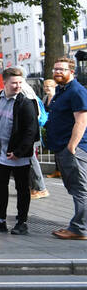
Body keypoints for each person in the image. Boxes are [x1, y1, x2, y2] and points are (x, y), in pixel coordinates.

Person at [0, 67, 38, 235]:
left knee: (22, 188)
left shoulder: (25, 103)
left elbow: (30, 131)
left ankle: (21, 222)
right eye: (14, 83)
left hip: (18, 156)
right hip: (0, 153)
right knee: (1, 187)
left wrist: (19, 152)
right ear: (4, 83)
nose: (17, 86)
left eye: (20, 82)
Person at [44, 57, 87, 240]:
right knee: (75, 188)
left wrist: (71, 148)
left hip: (74, 149)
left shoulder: (76, 91)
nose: (57, 72)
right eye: (55, 69)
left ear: (72, 72)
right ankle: (78, 225)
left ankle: (80, 229)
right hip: (62, 147)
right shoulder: (62, 91)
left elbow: (81, 121)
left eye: (62, 69)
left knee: (80, 189)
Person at [29, 80, 50, 200]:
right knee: (31, 160)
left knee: (32, 160)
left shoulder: (31, 97)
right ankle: (35, 188)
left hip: (32, 134)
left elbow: (39, 117)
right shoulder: (34, 96)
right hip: (32, 134)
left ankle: (40, 188)